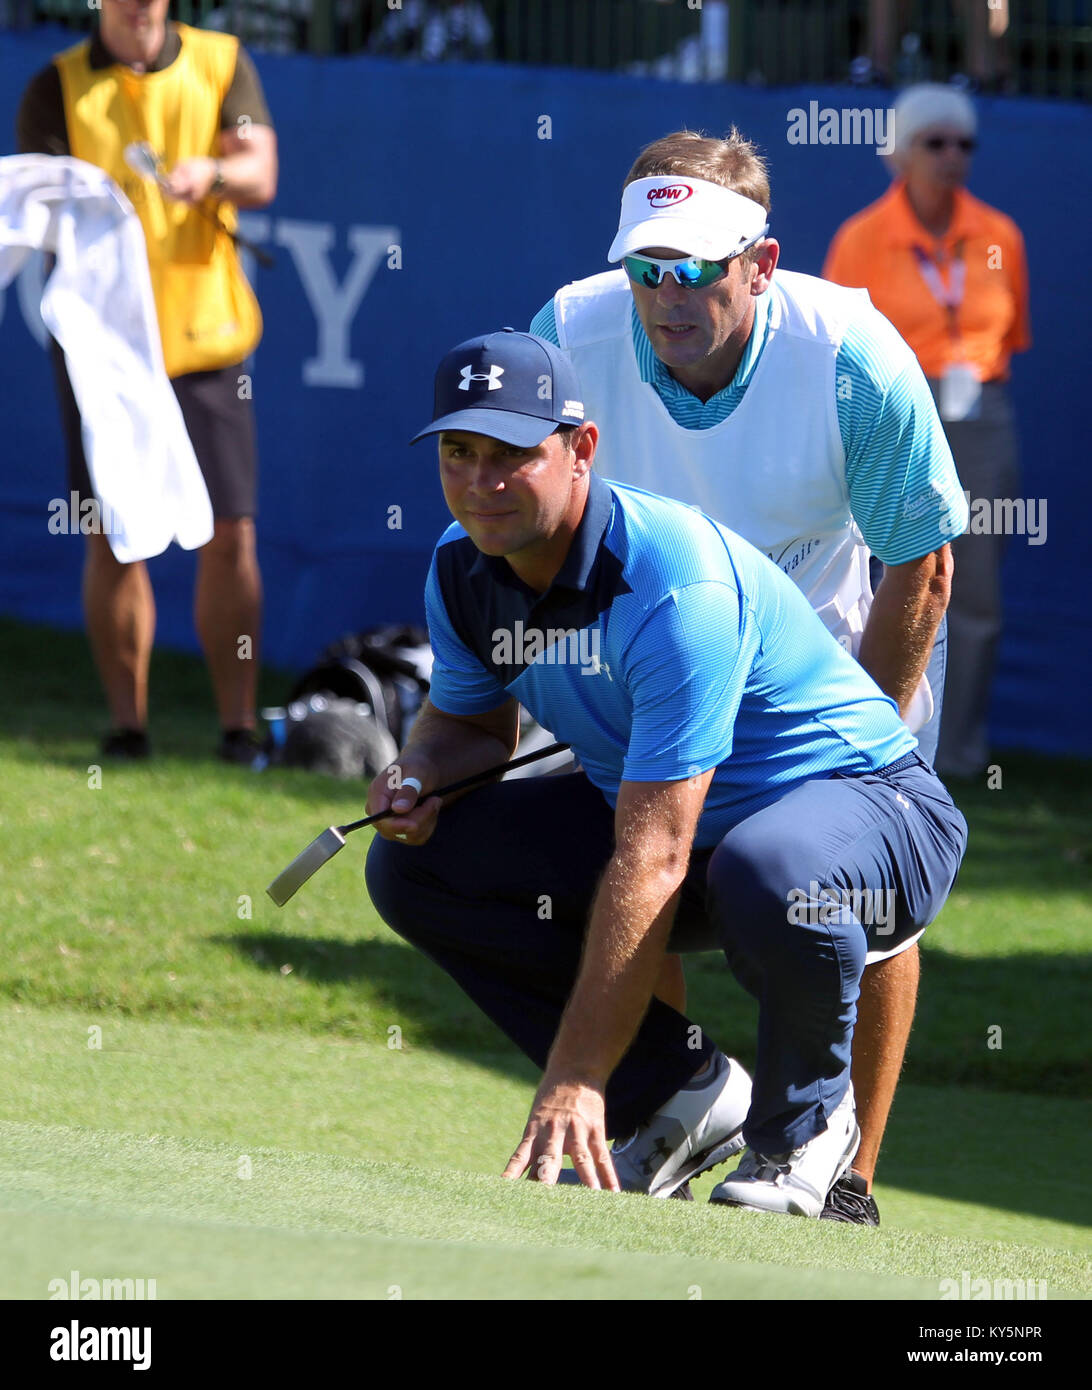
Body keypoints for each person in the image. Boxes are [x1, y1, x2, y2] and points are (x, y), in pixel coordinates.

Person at [364, 328, 967, 1216]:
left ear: (581, 450)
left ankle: (808, 1129)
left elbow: (653, 858)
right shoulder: (463, 572)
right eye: (459, 452)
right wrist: (418, 771)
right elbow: (470, 727)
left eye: (511, 454)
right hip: (703, 839)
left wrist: (577, 1074)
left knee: (771, 869)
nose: (481, 482)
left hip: (875, 811)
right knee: (417, 866)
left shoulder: (675, 582)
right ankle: (682, 1094)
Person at [528, 128, 968, 1221]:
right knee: (636, 852)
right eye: (646, 269)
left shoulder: (852, 356)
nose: (665, 296)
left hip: (836, 643)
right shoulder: (571, 336)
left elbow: (923, 567)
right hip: (665, 636)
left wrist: (859, 764)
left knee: (853, 888)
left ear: (760, 266)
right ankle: (671, 1111)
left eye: (695, 270)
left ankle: (847, 1169)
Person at [16, 0, 278, 763]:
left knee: (231, 532)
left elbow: (259, 173)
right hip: (102, 350)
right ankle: (127, 731)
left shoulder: (223, 61)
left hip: (209, 340)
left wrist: (214, 172)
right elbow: (36, 208)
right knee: (114, 536)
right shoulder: (54, 86)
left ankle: (238, 731)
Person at [824, 85, 1030, 779]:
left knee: (973, 593)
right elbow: (842, 346)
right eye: (934, 143)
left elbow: (1011, 335)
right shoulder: (860, 238)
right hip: (892, 414)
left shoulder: (1001, 235)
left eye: (964, 144)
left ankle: (961, 755)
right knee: (879, 576)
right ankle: (874, 742)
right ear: (901, 153)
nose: (951, 157)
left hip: (981, 417)